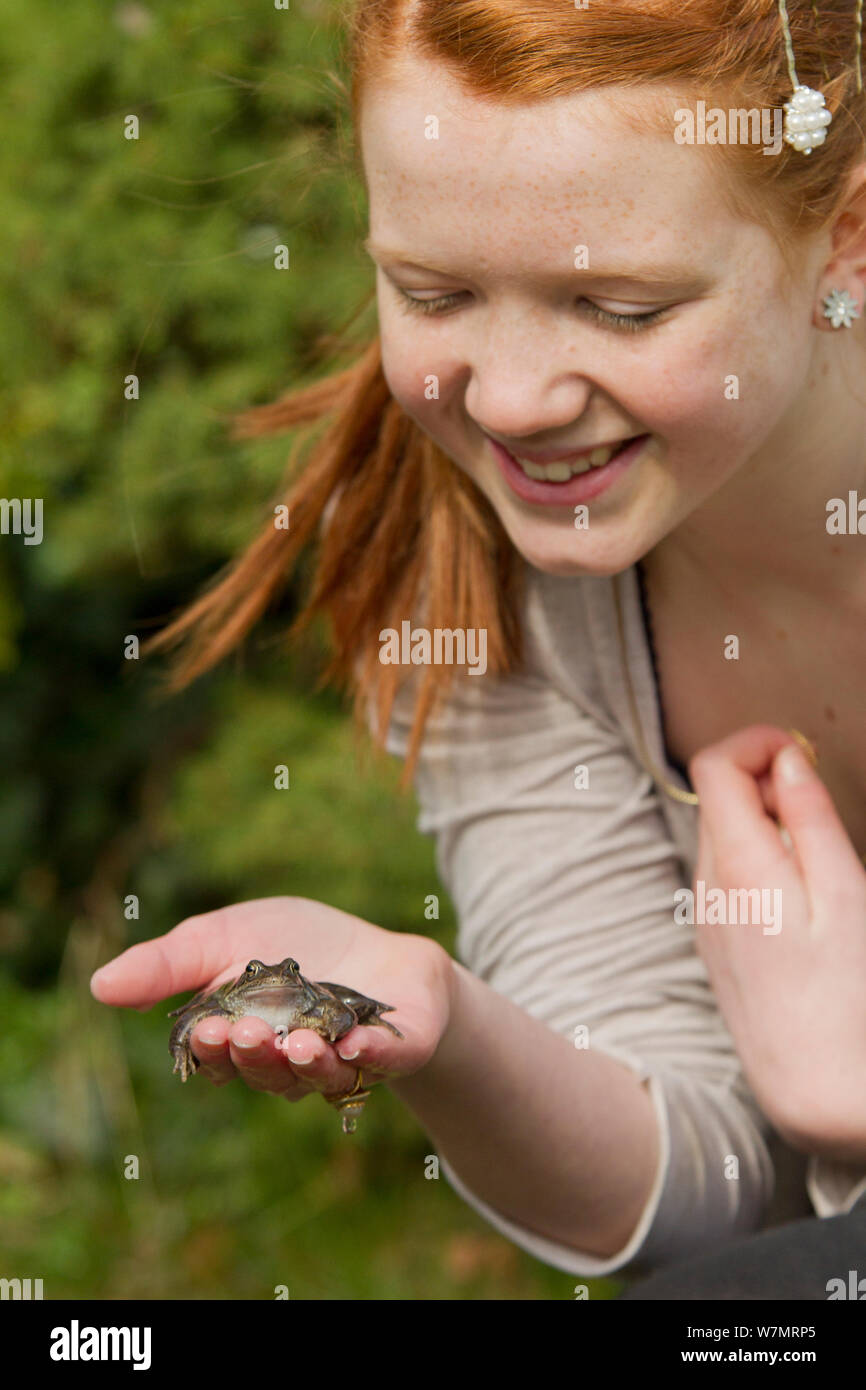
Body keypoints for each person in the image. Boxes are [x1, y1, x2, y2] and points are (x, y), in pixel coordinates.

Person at [90, 0, 866, 1295]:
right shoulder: (465, 562)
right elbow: (722, 1212)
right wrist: (441, 1028)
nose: (509, 399)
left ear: (845, 230)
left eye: (618, 308)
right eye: (432, 290)